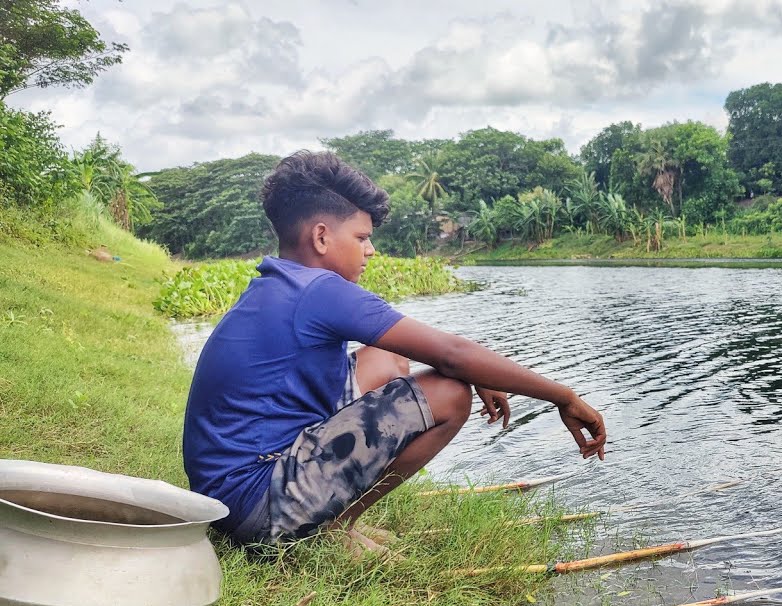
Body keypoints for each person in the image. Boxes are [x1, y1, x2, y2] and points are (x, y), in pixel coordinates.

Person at [183, 151, 606, 556]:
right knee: (449, 392)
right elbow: (454, 354)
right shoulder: (321, 291)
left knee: (385, 356)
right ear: (321, 236)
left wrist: (480, 370)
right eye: (362, 238)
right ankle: (336, 528)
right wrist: (563, 396)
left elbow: (428, 348)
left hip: (225, 495)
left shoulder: (282, 282)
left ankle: (329, 517)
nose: (370, 251)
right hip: (258, 506)